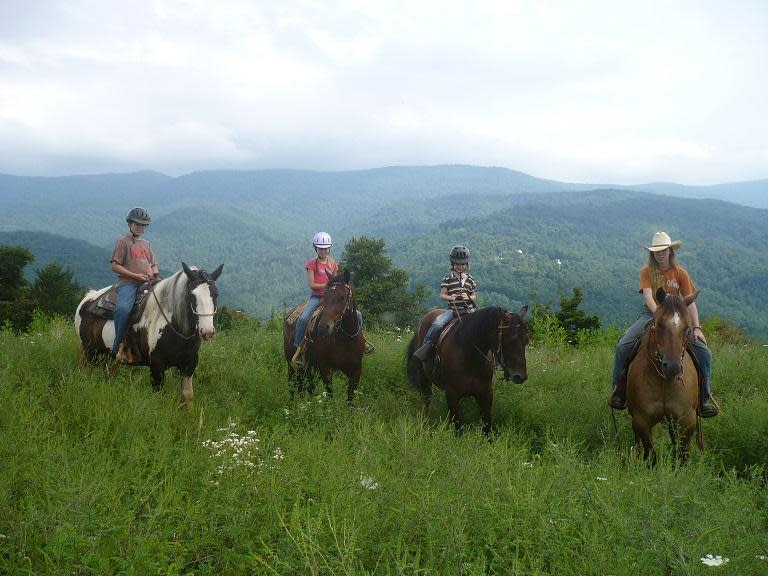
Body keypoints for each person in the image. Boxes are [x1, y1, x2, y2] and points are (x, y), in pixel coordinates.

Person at [608, 231, 719, 417]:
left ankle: (704, 397)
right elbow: (649, 297)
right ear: (652, 253)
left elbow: (689, 303)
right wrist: (659, 314)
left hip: (677, 318)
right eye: (656, 251)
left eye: (663, 250)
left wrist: (697, 328)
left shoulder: (680, 273)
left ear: (670, 251)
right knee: (624, 345)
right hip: (651, 314)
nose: (660, 254)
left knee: (704, 353)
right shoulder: (646, 271)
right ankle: (619, 390)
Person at [291, 232, 373, 365]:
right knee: (304, 318)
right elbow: (312, 285)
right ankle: (299, 348)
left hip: (331, 298)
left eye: (325, 248)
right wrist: (327, 285)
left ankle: (361, 341)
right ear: (315, 248)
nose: (323, 251)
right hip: (317, 298)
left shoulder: (333, 264)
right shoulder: (311, 264)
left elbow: (337, 282)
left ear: (329, 248)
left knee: (357, 315)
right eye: (320, 248)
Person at [412, 245, 477, 362]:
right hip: (453, 311)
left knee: (482, 326)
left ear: (466, 264)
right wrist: (450, 297)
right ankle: (427, 346)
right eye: (457, 264)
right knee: (437, 324)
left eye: (462, 264)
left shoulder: (470, 279)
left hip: (469, 310)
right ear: (452, 264)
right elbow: (442, 295)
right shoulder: (447, 279)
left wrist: (467, 296)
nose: (460, 266)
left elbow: (474, 296)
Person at [110, 207, 159, 363]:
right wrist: (135, 276)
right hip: (128, 283)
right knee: (123, 309)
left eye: (143, 225)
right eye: (137, 224)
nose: (140, 227)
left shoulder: (146, 243)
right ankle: (118, 347)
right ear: (130, 223)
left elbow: (153, 264)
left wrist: (154, 273)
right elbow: (115, 266)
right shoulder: (122, 242)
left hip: (148, 282)